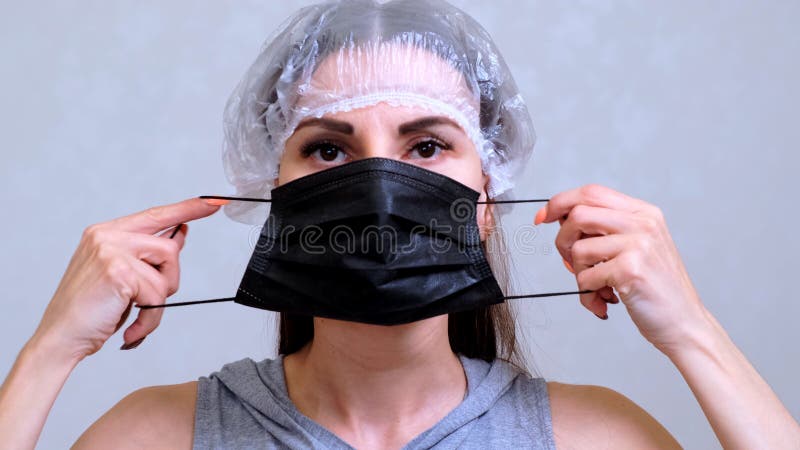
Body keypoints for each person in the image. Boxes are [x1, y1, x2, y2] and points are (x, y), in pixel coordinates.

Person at [1, 0, 798, 448]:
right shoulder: (156, 438)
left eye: (426, 145)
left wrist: (691, 332)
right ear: (269, 192)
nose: (380, 189)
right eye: (327, 149)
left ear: (488, 197)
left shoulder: (599, 438)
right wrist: (48, 353)